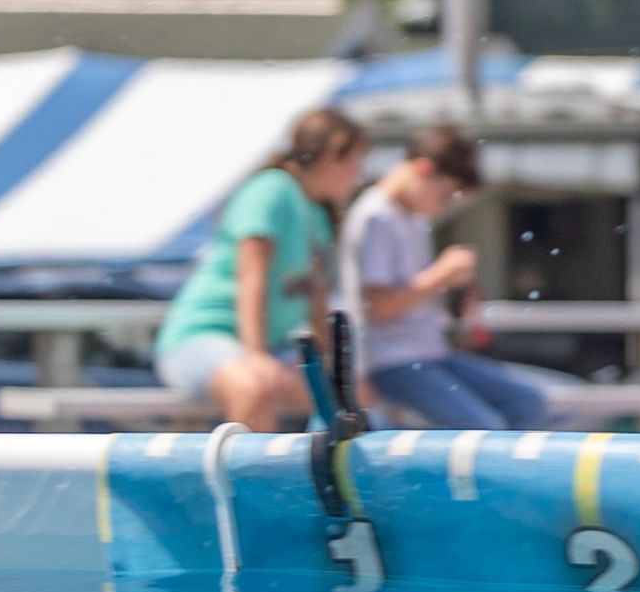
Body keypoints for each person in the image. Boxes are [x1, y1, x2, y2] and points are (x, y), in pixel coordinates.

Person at [155, 106, 367, 430]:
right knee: (254, 389)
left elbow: (316, 303)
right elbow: (252, 277)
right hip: (199, 338)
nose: (358, 175)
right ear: (329, 157)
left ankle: (319, 480)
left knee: (352, 398)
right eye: (354, 162)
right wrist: (255, 355)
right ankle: (259, 482)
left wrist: (334, 375)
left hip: (263, 347)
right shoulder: (272, 190)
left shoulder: (317, 215)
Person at [338, 124, 549, 430]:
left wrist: (452, 294)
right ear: (424, 170)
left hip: (428, 354)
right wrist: (442, 274)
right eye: (445, 195)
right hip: (392, 361)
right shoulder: (377, 217)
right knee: (484, 430)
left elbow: (411, 294)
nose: (442, 208)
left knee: (529, 403)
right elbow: (380, 307)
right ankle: (476, 477)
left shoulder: (410, 217)